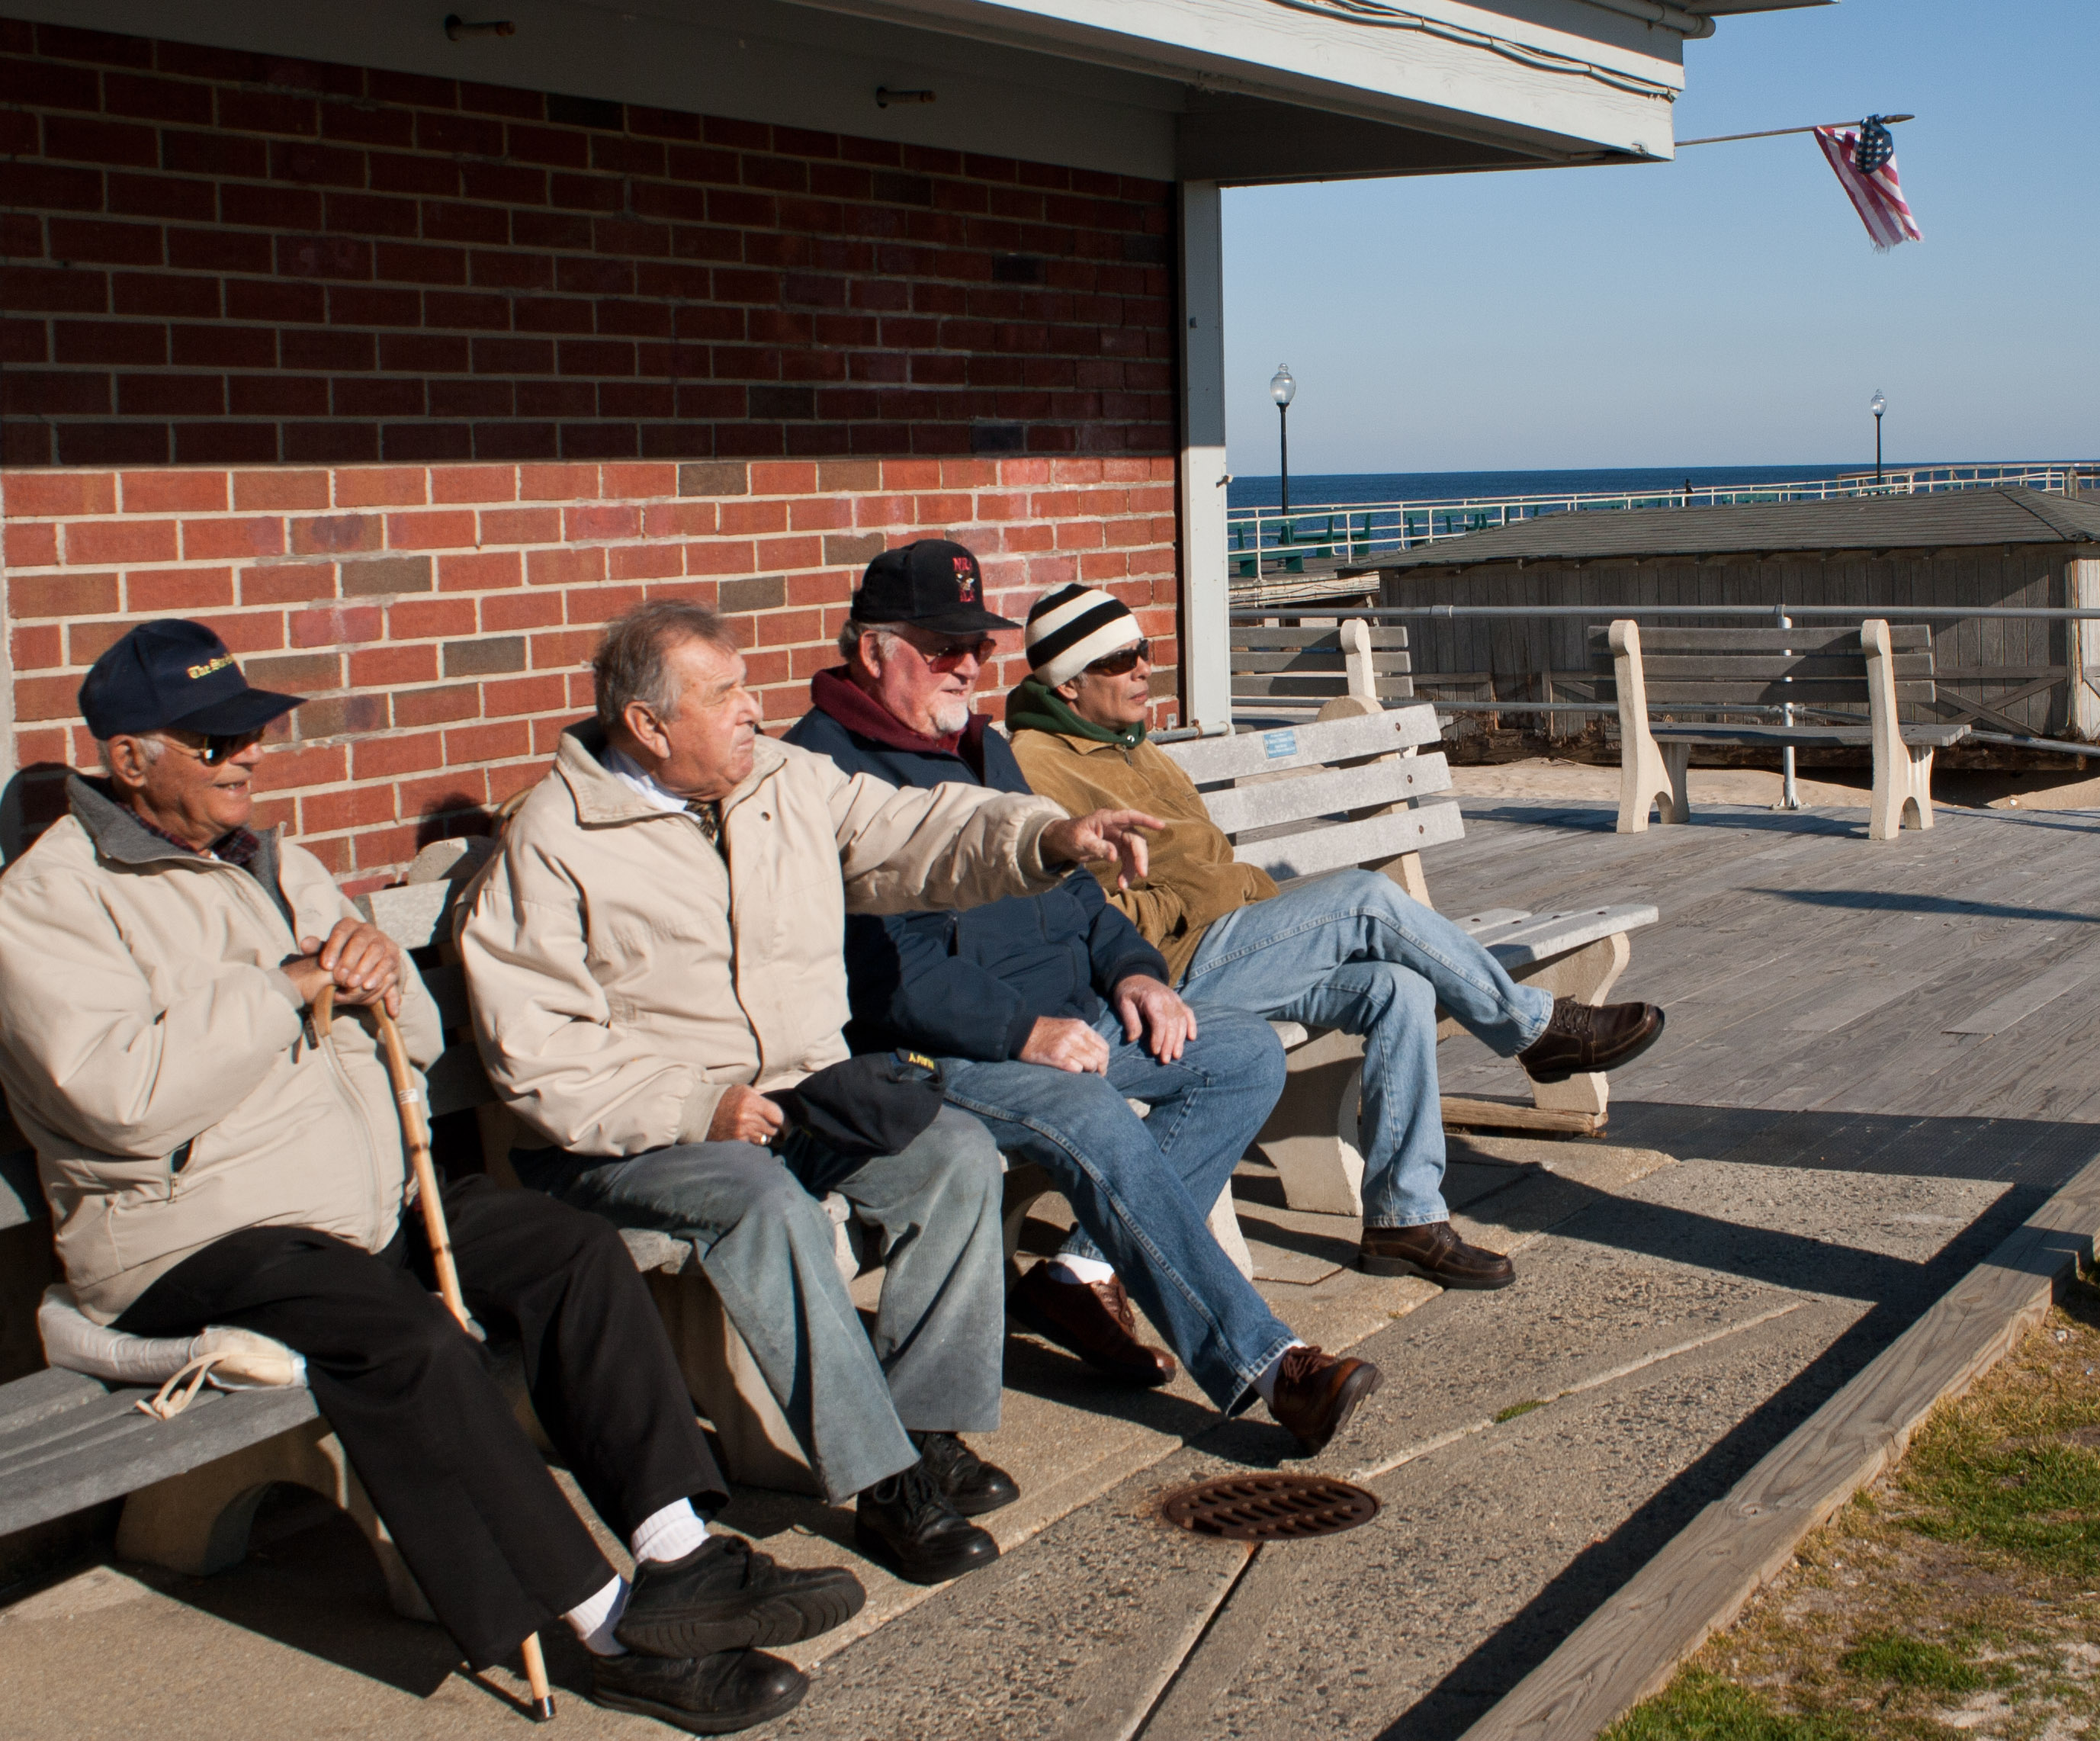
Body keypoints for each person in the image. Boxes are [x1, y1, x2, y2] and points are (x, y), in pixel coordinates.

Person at [0, 621, 853, 1734]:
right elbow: (115, 1096)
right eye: (215, 741)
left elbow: (398, 1025)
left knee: (566, 1250)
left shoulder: (269, 859)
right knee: (408, 1340)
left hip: (352, 1208)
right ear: (127, 757)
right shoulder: (51, 899)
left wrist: (374, 972)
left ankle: (676, 1554)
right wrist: (287, 984)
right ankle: (602, 1627)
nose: (248, 754)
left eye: (251, 730)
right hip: (189, 1237)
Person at [458, 600, 1175, 1585]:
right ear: (648, 726)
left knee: (953, 1155)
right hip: (634, 1139)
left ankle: (925, 1426)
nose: (755, 710)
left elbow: (913, 826)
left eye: (746, 686)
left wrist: (1050, 834)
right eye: (725, 696)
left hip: (794, 1098)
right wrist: (693, 1108)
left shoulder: (780, 781)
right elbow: (537, 1054)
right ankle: (883, 1479)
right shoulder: (555, 838)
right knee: (769, 1207)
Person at [782, 541, 1383, 1454]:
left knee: (1239, 1052)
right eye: (942, 646)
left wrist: (1135, 971)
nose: (968, 666)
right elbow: (876, 968)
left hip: (1073, 1019)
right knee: (1090, 1110)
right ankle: (1266, 1365)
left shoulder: (979, 746)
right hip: (938, 1058)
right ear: (872, 651)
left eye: (977, 646)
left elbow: (1073, 891)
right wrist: (1023, 1031)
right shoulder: (820, 775)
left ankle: (1077, 1275)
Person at [1004, 584, 1668, 1290]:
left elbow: (1213, 863)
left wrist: (1224, 888)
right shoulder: (1037, 767)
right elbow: (1082, 915)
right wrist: (1210, 893)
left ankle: (1403, 1218)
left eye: (1145, 650)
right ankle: (1533, 1030)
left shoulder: (1135, 746)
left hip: (1228, 936)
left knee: (1399, 987)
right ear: (1068, 683)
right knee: (1366, 900)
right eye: (1119, 660)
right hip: (1167, 973)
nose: (1143, 668)